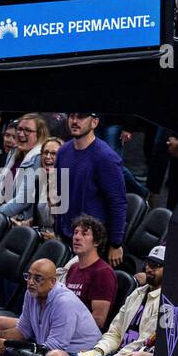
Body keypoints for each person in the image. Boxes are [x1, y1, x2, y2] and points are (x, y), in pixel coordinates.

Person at [0, 258, 103, 356]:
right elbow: (23, 331)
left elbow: (52, 349)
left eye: (37, 278)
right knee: (0, 352)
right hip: (50, 347)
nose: (30, 282)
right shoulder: (31, 294)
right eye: (28, 276)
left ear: (52, 282)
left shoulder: (64, 303)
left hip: (82, 355)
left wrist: (8, 346)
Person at [55, 111, 128, 266]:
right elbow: (59, 193)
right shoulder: (63, 152)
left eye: (81, 117)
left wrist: (116, 243)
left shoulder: (106, 158)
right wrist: (58, 227)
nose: (74, 121)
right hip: (67, 235)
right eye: (72, 116)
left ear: (94, 122)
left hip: (94, 242)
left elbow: (118, 202)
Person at [58, 215, 116, 329]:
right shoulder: (73, 268)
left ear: (97, 241)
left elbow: (98, 321)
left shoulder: (103, 273)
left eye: (84, 234)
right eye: (75, 232)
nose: (77, 237)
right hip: (63, 327)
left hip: (82, 337)